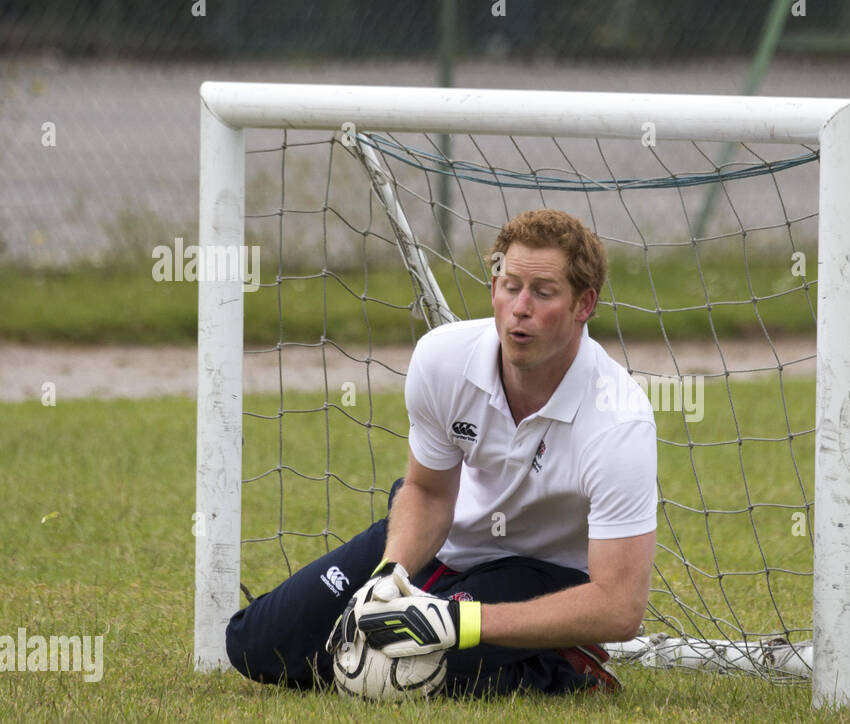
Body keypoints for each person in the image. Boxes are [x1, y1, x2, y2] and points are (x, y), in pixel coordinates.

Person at [225, 208, 658, 696]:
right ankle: (437, 617)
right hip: (440, 541)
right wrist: (391, 576)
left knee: (393, 665)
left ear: (584, 305)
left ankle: (560, 664)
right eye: (510, 285)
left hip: (536, 572)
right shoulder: (442, 359)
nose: (520, 307)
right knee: (255, 646)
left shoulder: (619, 421)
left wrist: (457, 623)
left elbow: (620, 606)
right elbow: (428, 493)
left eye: (543, 292)